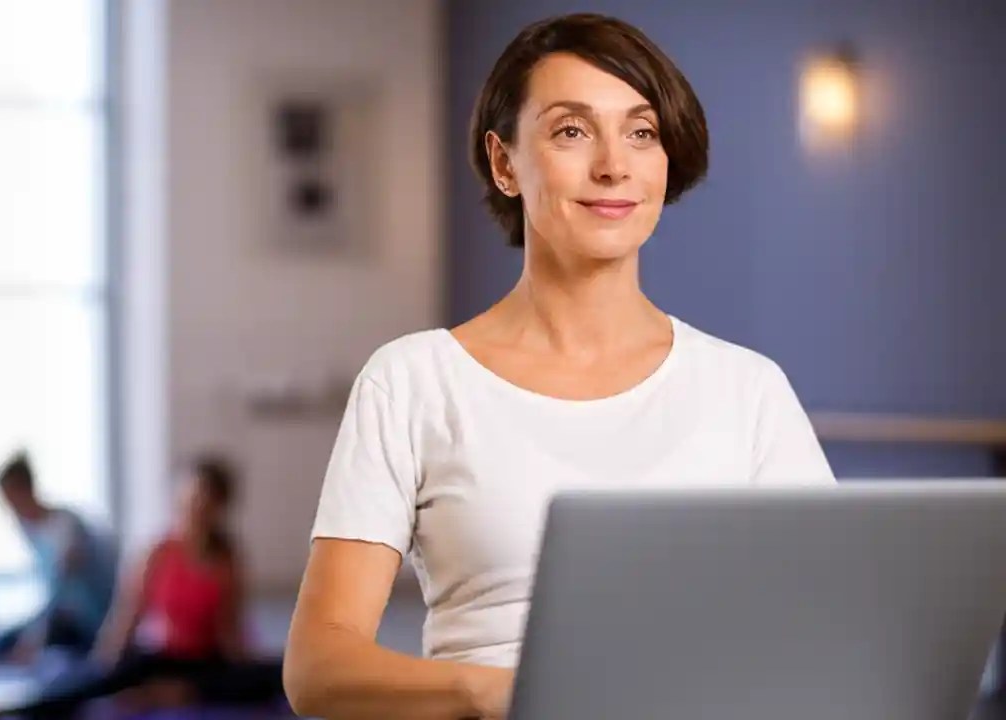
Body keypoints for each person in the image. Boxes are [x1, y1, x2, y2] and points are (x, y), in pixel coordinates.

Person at [283, 13, 837, 719]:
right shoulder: (412, 381)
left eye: (641, 133)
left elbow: (828, 628)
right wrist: (508, 691)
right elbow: (318, 667)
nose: (613, 165)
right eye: (572, 131)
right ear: (504, 163)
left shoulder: (748, 390)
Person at [0, 455, 285, 719]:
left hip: (206, 664)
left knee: (277, 675)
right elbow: (128, 615)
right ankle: (4, 711)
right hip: (162, 657)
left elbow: (229, 631)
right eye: (190, 499)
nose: (195, 509)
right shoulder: (159, 552)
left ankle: (176, 692)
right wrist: (106, 662)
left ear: (219, 508)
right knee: (89, 681)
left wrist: (245, 668)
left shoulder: (228, 560)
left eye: (205, 501)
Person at [0, 452, 117, 664]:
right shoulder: (28, 527)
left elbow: (60, 587)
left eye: (10, 499)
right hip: (55, 615)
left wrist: (35, 639)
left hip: (85, 621)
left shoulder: (67, 526)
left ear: (25, 490)